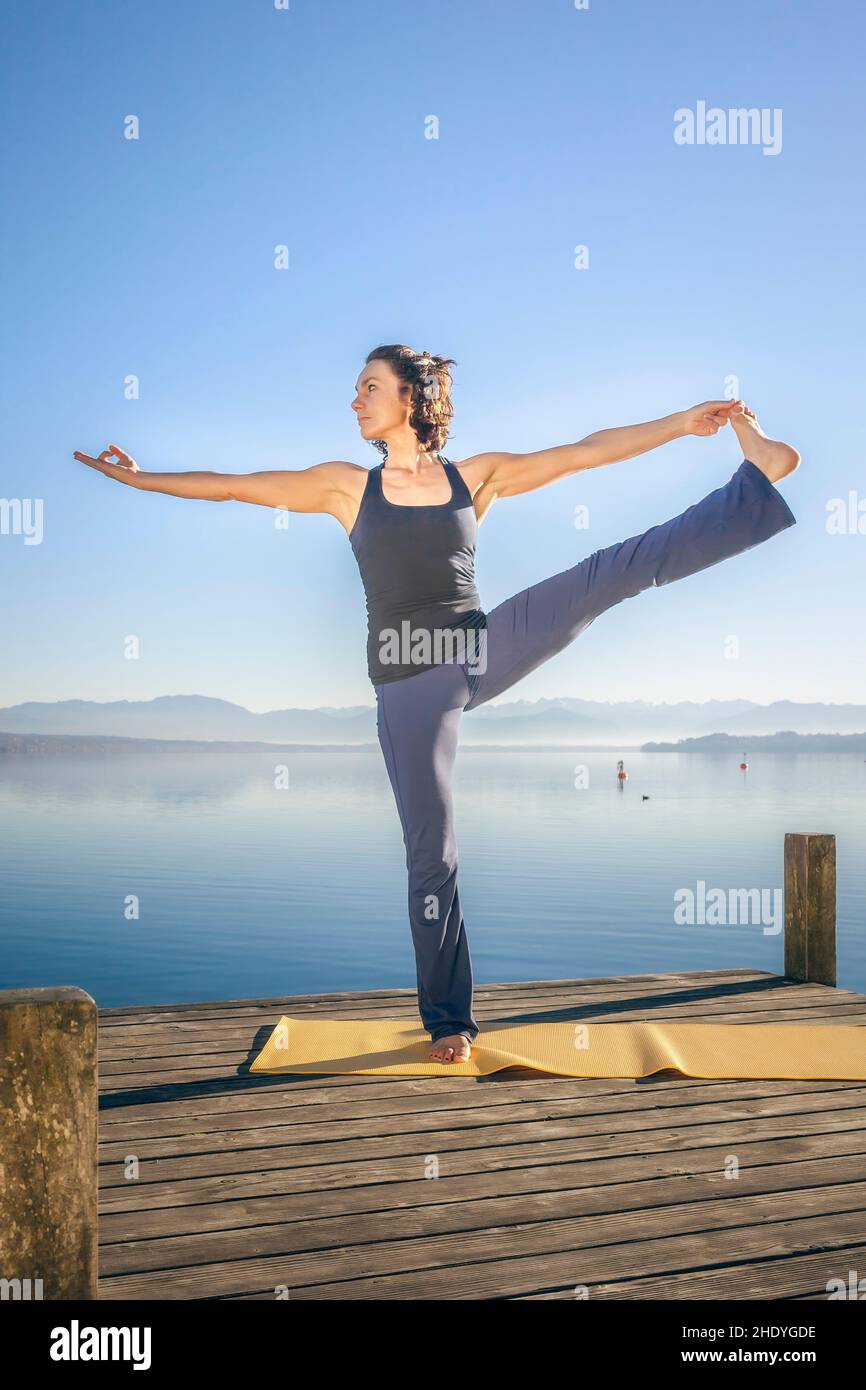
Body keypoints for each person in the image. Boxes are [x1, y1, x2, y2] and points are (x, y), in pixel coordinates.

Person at [74, 343, 800, 1065]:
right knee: (434, 855)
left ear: (412, 399)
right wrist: (139, 481)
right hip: (408, 684)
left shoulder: (472, 477)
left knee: (606, 573)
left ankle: (754, 482)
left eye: (367, 387)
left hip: (480, 647)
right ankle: (449, 1020)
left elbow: (584, 452)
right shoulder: (344, 487)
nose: (354, 401)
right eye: (356, 390)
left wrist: (681, 422)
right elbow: (232, 485)